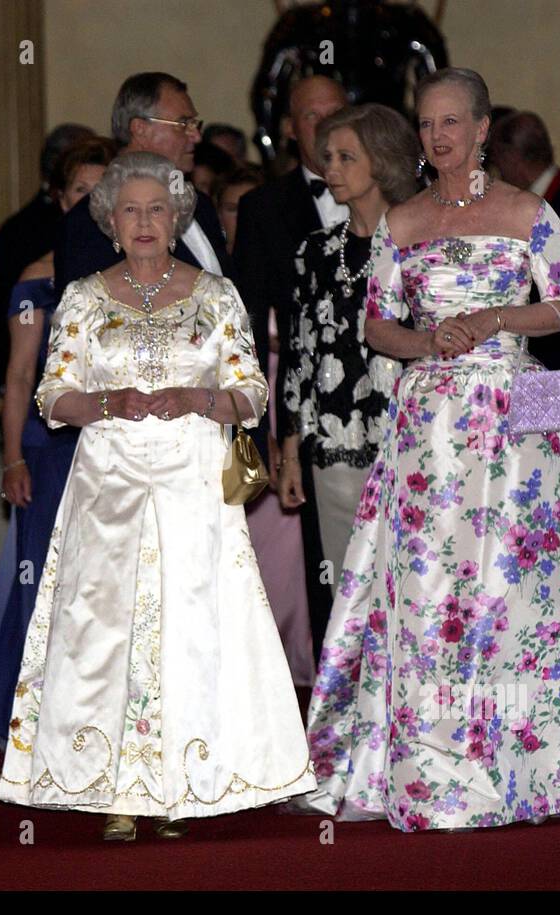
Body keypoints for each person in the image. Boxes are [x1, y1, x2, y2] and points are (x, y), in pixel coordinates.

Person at [302, 69, 560, 830]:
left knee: (526, 587)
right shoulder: (402, 222)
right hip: (427, 432)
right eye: (426, 125)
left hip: (513, 424)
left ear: (484, 128)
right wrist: (426, 340)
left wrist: (492, 320)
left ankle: (543, 758)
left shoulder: (528, 212)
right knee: (428, 594)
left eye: (452, 122)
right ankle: (431, 765)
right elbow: (375, 324)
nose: (438, 136)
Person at [0, 153, 316, 840]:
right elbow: (52, 395)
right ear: (111, 222)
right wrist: (109, 399)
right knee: (104, 630)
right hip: (107, 480)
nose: (144, 223)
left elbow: (253, 395)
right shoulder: (82, 296)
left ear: (177, 219)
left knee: (191, 628)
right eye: (130, 211)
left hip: (195, 480)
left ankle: (184, 784)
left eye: (157, 210)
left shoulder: (215, 294)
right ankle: (117, 790)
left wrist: (195, 397)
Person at [0, 136, 116, 748]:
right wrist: (11, 457)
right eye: (81, 192)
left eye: (102, 194)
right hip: (50, 450)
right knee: (46, 582)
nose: (91, 205)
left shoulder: (134, 279)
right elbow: (21, 375)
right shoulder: (36, 282)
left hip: (115, 449)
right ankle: (39, 722)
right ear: (58, 198)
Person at [279, 103, 419, 596]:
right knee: (347, 590)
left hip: (410, 439)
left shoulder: (420, 247)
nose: (329, 169)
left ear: (381, 161)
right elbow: (299, 356)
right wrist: (291, 451)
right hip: (333, 444)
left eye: (344, 157)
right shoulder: (313, 251)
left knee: (410, 584)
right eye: (327, 157)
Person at [233, 74, 349, 661]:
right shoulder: (264, 208)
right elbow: (249, 326)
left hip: (392, 400)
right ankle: (335, 691)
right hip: (307, 406)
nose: (326, 126)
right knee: (324, 557)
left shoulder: (399, 198)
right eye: (312, 116)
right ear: (288, 128)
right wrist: (267, 438)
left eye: (337, 113)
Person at [52, 74, 235, 364]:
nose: (196, 135)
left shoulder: (200, 207)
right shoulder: (89, 220)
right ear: (140, 129)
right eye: (184, 123)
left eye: (195, 125)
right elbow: (86, 337)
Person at [215, 165, 313, 685]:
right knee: (243, 532)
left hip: (286, 404)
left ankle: (297, 652)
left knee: (291, 542)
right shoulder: (210, 275)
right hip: (238, 414)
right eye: (230, 206)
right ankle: (248, 658)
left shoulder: (281, 263)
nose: (240, 216)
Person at [0, 123, 95, 393]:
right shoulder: (22, 230)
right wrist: (6, 379)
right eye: (81, 189)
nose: (91, 200)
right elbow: (9, 306)